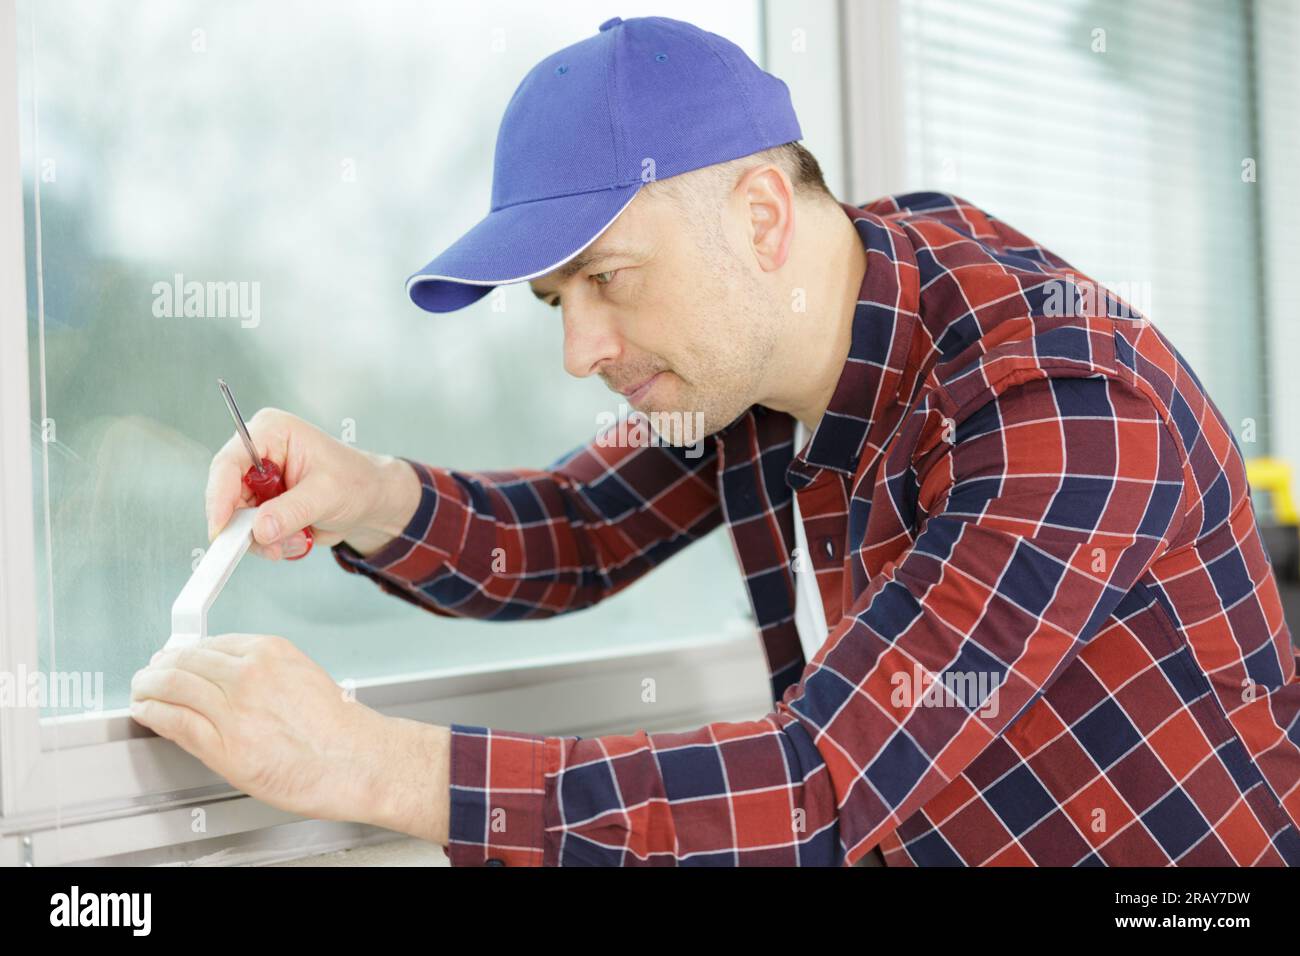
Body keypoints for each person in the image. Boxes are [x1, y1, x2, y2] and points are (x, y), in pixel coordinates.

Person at [132, 15, 1300, 866]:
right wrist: (364, 490)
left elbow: (817, 785)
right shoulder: (770, 344)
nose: (578, 349)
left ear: (758, 218)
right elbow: (581, 531)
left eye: (606, 279)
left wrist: (366, 765)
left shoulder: (1057, 400)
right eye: (556, 301)